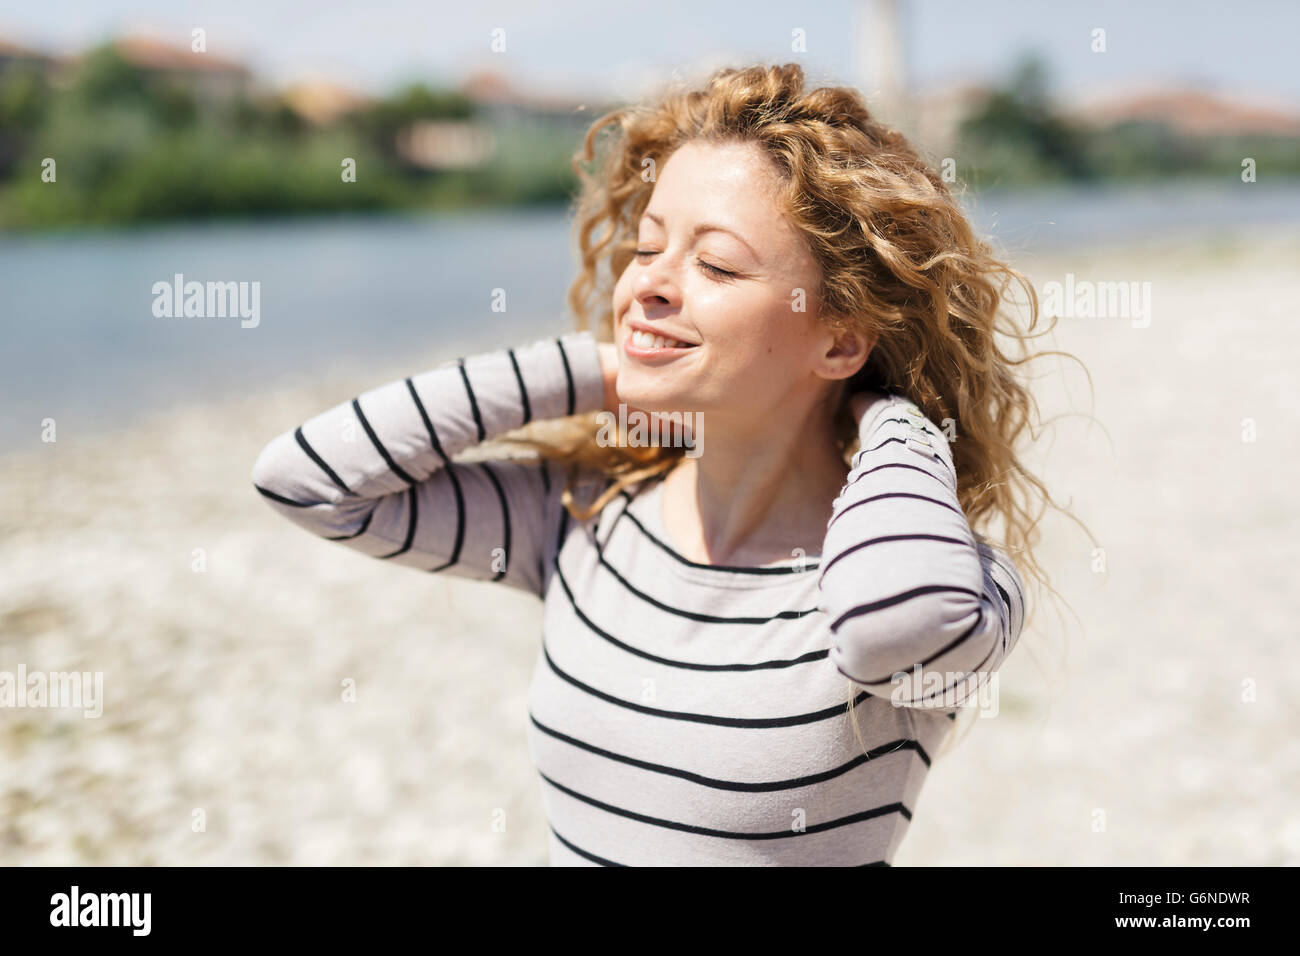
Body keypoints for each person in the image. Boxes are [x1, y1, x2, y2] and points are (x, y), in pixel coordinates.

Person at [251, 62, 1068, 866]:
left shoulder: (945, 579)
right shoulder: (582, 516)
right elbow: (309, 481)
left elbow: (902, 625)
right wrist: (610, 367)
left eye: (715, 264)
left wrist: (895, 419)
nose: (650, 284)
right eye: (647, 248)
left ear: (840, 337)